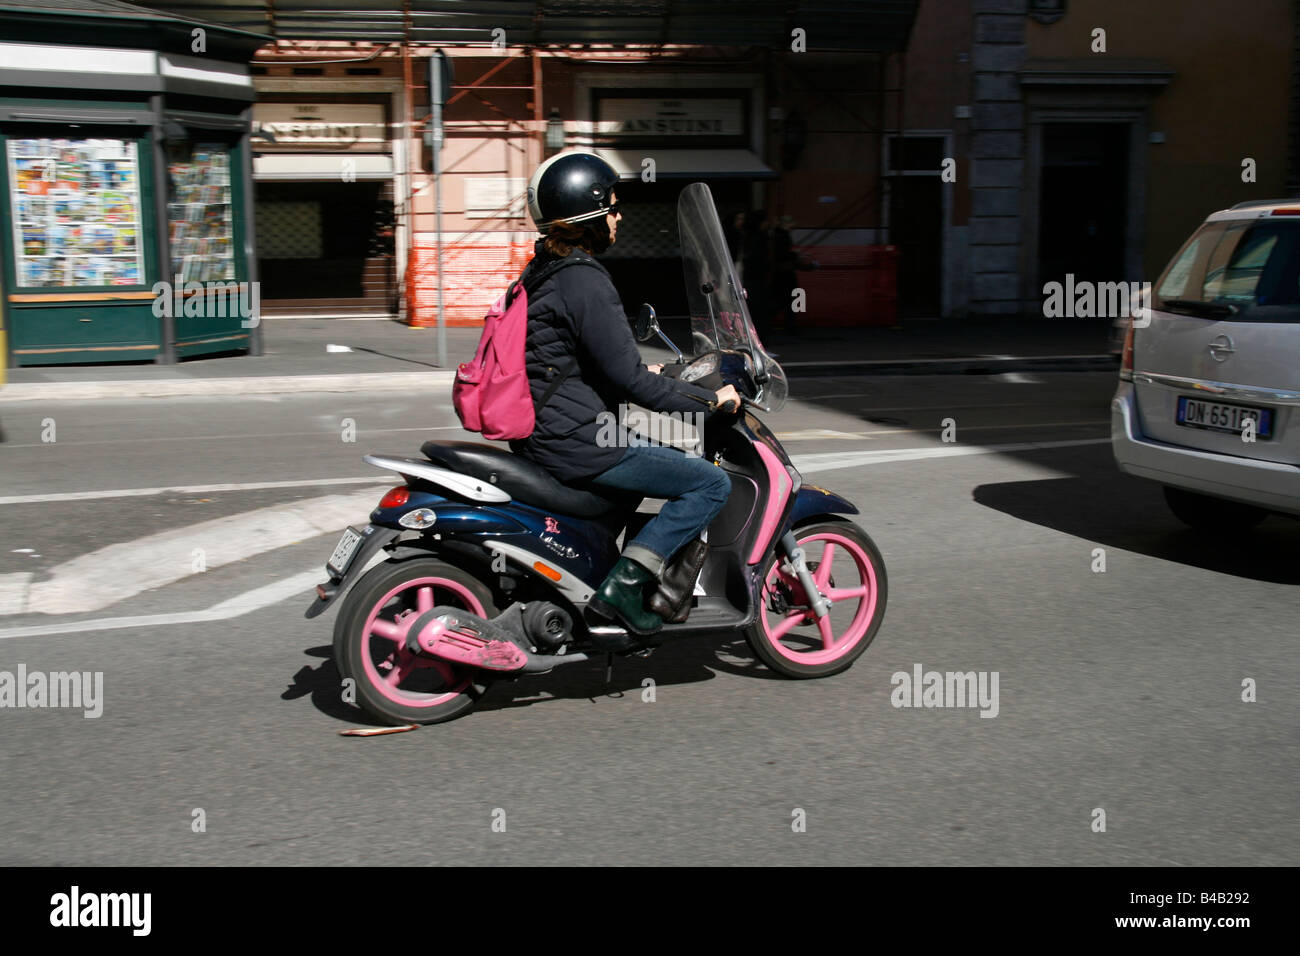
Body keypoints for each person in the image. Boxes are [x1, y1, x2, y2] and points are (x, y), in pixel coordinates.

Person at [514, 151, 741, 638]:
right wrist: (709, 401)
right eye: (613, 206)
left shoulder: (543, 272)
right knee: (708, 484)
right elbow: (632, 385)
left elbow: (571, 358)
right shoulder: (585, 280)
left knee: (655, 455)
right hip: (578, 438)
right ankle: (623, 591)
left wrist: (650, 370)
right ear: (591, 214)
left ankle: (606, 569)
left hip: (550, 429)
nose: (619, 215)